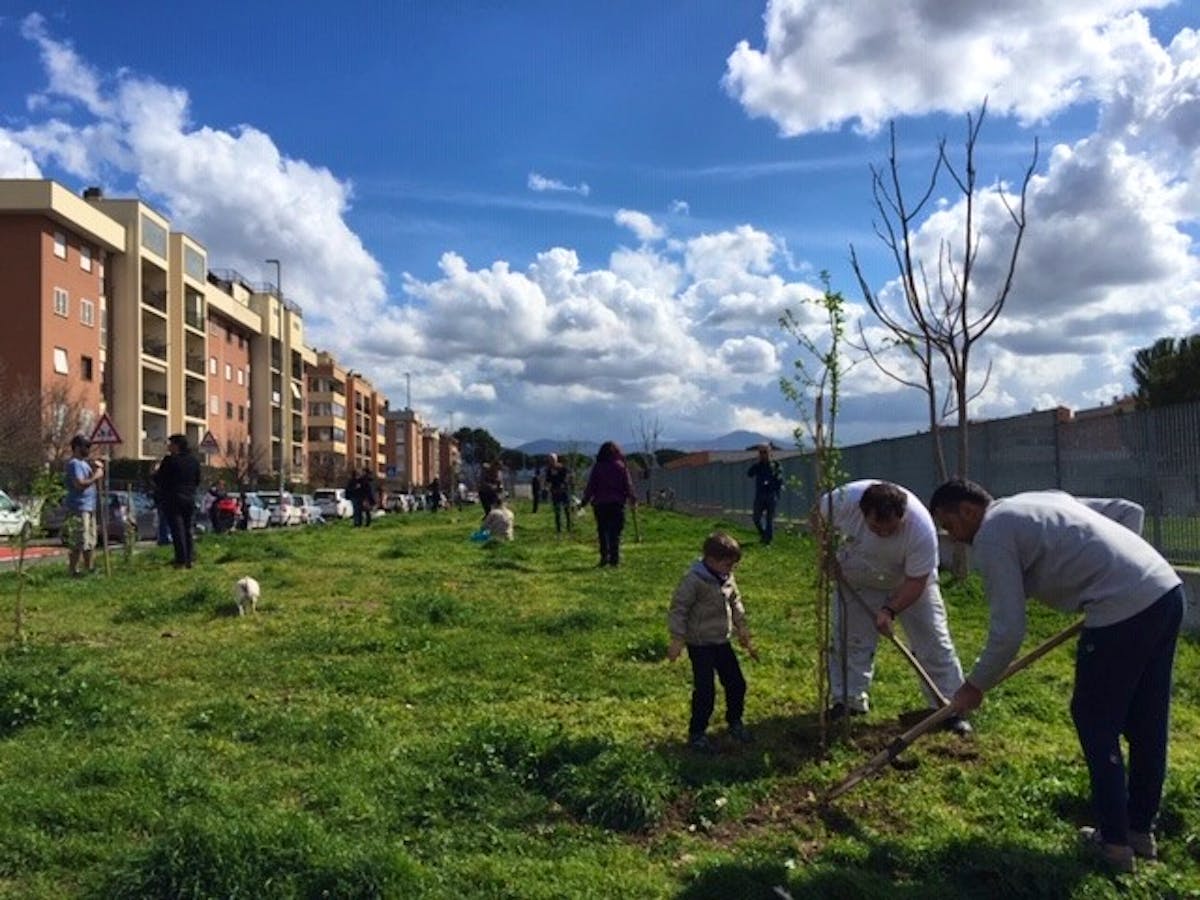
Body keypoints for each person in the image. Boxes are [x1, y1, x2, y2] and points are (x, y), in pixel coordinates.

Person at [929, 479, 1183, 874]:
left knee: (1095, 720)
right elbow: (1127, 510)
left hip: (1123, 607)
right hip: (1165, 590)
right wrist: (1116, 574)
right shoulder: (1038, 499)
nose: (952, 537)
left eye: (949, 524)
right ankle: (1138, 832)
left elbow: (1009, 628)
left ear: (966, 510)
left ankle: (1114, 844)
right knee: (1147, 722)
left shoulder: (993, 534)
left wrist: (974, 686)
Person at [815, 480, 971, 734]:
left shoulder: (920, 528)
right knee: (849, 639)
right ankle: (848, 700)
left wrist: (889, 610)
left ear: (902, 515)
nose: (883, 533)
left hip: (907, 579)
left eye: (891, 529)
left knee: (933, 641)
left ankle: (950, 708)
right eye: (876, 527)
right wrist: (826, 554)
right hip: (857, 575)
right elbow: (817, 521)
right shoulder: (840, 502)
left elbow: (917, 581)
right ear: (862, 512)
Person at [667, 531, 759, 751]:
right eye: (728, 565)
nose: (731, 570)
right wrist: (678, 638)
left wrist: (742, 628)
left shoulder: (726, 577)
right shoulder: (694, 580)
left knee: (737, 683)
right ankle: (697, 733)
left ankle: (734, 721)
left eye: (733, 566)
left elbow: (735, 601)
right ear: (710, 560)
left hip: (721, 640)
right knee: (705, 690)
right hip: (700, 644)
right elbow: (679, 609)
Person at [580, 441, 638, 567]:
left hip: (600, 504)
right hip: (616, 504)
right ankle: (614, 559)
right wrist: (632, 498)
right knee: (615, 533)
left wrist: (584, 501)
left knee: (602, 531)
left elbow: (591, 486)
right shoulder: (620, 466)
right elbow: (627, 485)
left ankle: (604, 557)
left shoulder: (598, 467)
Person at [153, 434, 200, 569]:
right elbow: (197, 480)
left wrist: (155, 472)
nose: (169, 446)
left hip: (173, 498)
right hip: (189, 498)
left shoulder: (170, 461)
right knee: (187, 529)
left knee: (177, 529)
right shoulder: (193, 461)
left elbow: (161, 480)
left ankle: (181, 560)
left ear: (177, 445)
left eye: (171, 444)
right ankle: (190, 558)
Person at [63, 435, 103, 577]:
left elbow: (92, 482)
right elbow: (79, 484)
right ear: (77, 447)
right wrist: (96, 476)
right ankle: (73, 570)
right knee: (79, 540)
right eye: (85, 447)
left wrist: (95, 470)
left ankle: (89, 568)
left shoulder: (84, 464)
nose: (88, 450)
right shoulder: (74, 464)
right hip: (78, 507)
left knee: (90, 540)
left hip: (89, 506)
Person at [747, 445, 784, 545]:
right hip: (760, 494)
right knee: (756, 518)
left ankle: (768, 540)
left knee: (769, 519)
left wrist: (773, 486)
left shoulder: (776, 464)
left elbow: (780, 479)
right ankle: (763, 534)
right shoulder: (758, 465)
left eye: (765, 452)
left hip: (771, 494)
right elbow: (749, 474)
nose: (763, 454)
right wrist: (757, 462)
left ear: (770, 453)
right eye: (761, 452)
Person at [545, 453, 573, 534]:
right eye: (550, 460)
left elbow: (567, 477)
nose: (551, 461)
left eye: (553, 459)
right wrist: (546, 487)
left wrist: (564, 485)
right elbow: (548, 480)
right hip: (555, 492)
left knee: (567, 510)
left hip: (564, 491)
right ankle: (558, 529)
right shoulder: (549, 470)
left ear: (556, 459)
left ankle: (569, 527)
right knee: (557, 511)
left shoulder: (562, 468)